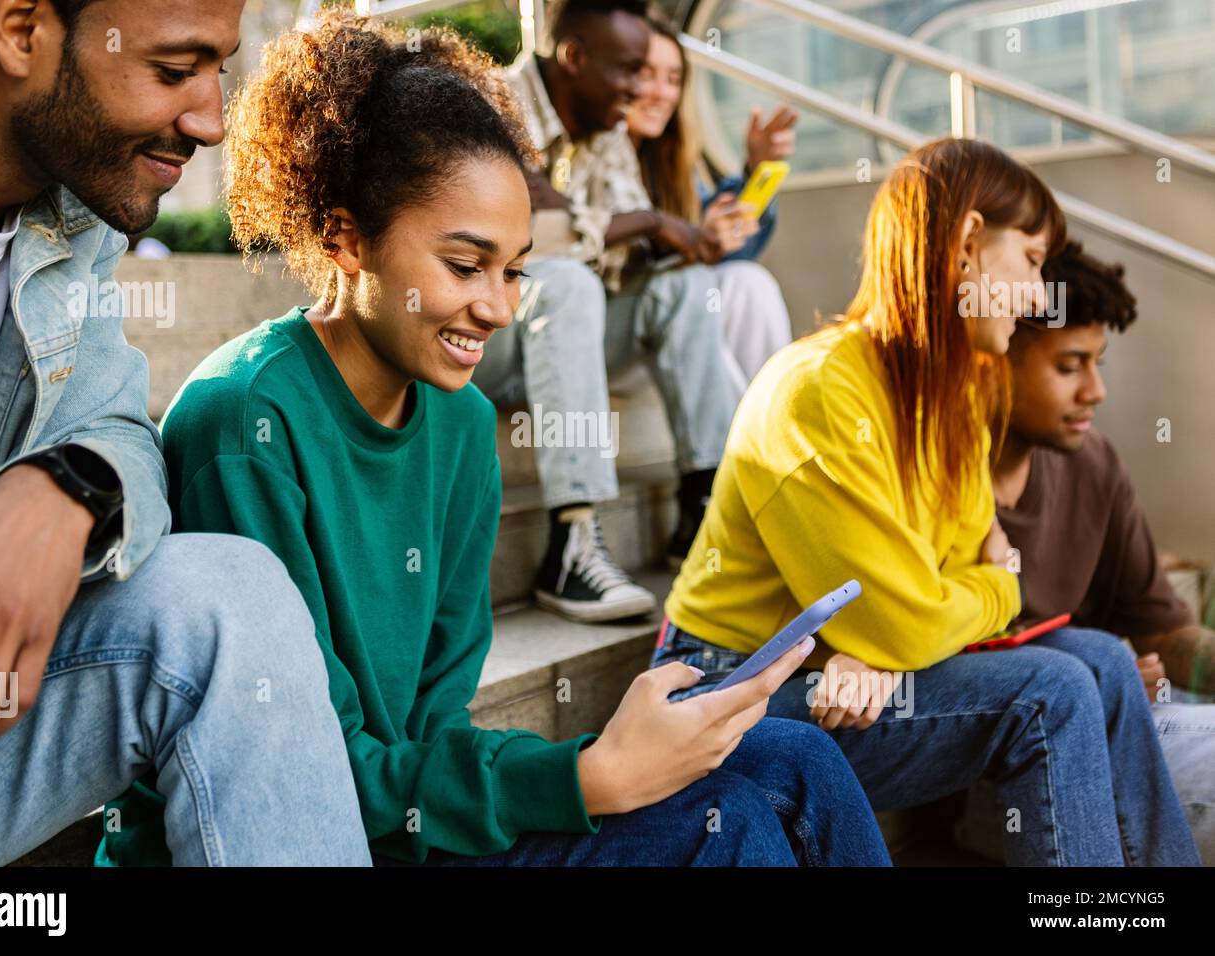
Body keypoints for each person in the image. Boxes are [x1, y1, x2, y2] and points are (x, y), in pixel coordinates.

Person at [100, 12, 894, 868]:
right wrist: (585, 778)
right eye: (464, 265)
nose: (501, 308)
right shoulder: (245, 423)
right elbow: (302, 782)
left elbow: (437, 723)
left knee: (798, 758)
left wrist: (601, 768)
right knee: (731, 827)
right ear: (343, 237)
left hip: (409, 813)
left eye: (514, 269)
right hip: (301, 831)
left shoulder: (463, 421)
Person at [651, 137, 1201, 865]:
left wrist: (897, 631)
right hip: (730, 690)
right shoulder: (818, 391)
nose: (1039, 297)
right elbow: (914, 610)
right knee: (1051, 687)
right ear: (969, 244)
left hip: (847, 678)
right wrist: (931, 612)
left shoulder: (959, 396)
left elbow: (927, 600)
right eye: (1032, 262)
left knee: (1099, 658)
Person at [0, 0, 371, 865]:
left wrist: (64, 489)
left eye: (217, 70)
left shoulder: (69, 212)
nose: (210, 120)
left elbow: (118, 426)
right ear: (20, 28)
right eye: (173, 70)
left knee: (228, 601)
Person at [951, 240, 1215, 864]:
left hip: (1124, 728)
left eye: (1098, 362)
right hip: (1014, 771)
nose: (1095, 391)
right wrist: (1103, 678)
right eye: (1069, 366)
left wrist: (1141, 674)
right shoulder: (934, 480)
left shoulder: (1091, 462)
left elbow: (1168, 633)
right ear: (995, 358)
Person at [476, 0, 740, 620]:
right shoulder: (492, 107)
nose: (638, 88)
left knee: (678, 286)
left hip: (566, 337)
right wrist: (638, 222)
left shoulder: (607, 130)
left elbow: (614, 244)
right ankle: (572, 545)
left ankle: (703, 507)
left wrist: (592, 220)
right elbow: (528, 240)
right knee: (566, 281)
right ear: (574, 57)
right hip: (483, 340)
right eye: (627, 70)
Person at [624, 12, 795, 402]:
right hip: (629, 324)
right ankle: (738, 449)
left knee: (750, 283)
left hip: (681, 311)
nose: (662, 93)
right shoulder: (591, 153)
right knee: (695, 290)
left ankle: (775, 423)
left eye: (673, 79)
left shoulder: (671, 163)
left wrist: (755, 173)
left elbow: (731, 250)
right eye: (646, 74)